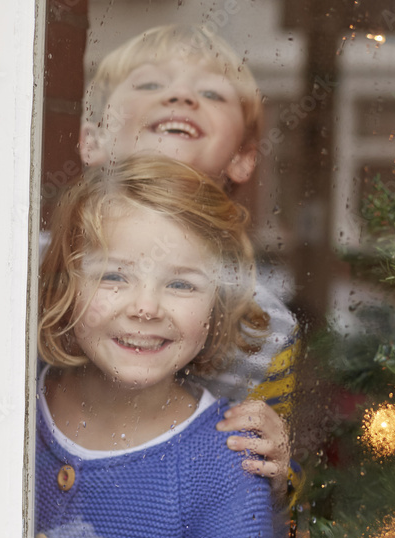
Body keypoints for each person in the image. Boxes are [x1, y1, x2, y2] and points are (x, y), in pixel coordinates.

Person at [34, 155, 289, 538]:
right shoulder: (4, 405)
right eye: (114, 276)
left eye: (181, 284)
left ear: (216, 306)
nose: (146, 307)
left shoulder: (224, 460)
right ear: (66, 285)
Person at [76, 24, 299, 500]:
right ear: (92, 139)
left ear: (243, 156)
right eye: (152, 84)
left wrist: (278, 470)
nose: (180, 96)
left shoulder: (264, 327)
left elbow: (265, 504)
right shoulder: (26, 265)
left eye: (210, 93)